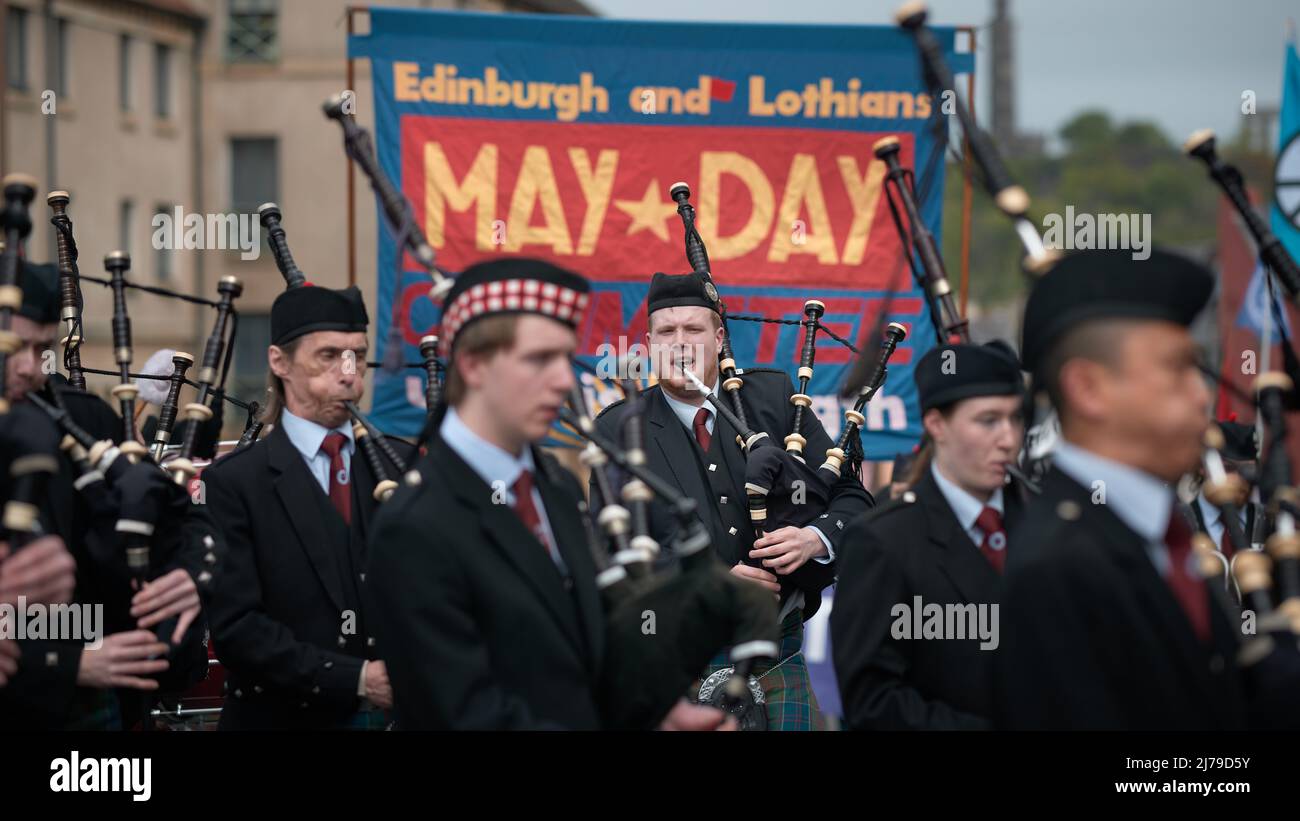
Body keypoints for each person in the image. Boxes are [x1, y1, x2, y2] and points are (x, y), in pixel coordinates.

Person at [365, 258, 746, 730]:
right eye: (538, 359)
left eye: (565, 358)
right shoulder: (416, 523)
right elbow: (462, 713)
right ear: (473, 365)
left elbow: (583, 648)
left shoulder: (556, 488)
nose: (565, 380)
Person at [594, 271, 873, 730]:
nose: (680, 343)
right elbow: (612, 557)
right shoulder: (620, 430)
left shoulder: (775, 400)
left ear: (719, 336)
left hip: (776, 652)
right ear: (648, 343)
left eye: (694, 330)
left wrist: (813, 537)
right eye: (666, 332)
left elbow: (851, 498)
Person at [996, 248, 1255, 730]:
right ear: (1088, 388)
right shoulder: (1058, 566)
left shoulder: (1156, 533)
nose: (1201, 395)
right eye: (1177, 368)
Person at [204, 284, 411, 730]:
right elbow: (238, 628)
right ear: (280, 362)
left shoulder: (401, 463)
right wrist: (356, 678)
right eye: (329, 355)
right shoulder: (236, 482)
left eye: (358, 354)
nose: (349, 374)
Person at [832, 341, 1025, 730]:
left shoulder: (1048, 522)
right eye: (988, 420)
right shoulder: (883, 541)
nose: (1007, 438)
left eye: (1015, 419)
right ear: (937, 425)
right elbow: (873, 703)